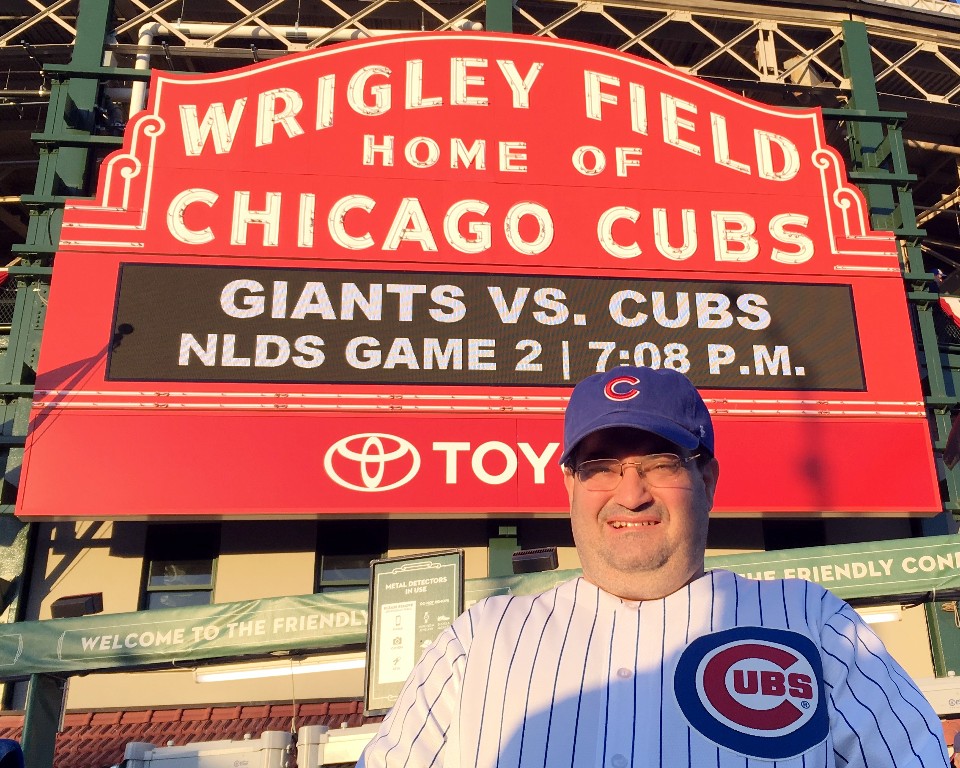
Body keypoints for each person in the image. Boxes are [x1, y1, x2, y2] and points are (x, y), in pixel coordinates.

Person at [358, 366, 948, 768]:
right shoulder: (482, 638)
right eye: (601, 467)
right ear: (571, 485)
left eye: (660, 463)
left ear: (707, 479)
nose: (631, 493)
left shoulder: (812, 624)